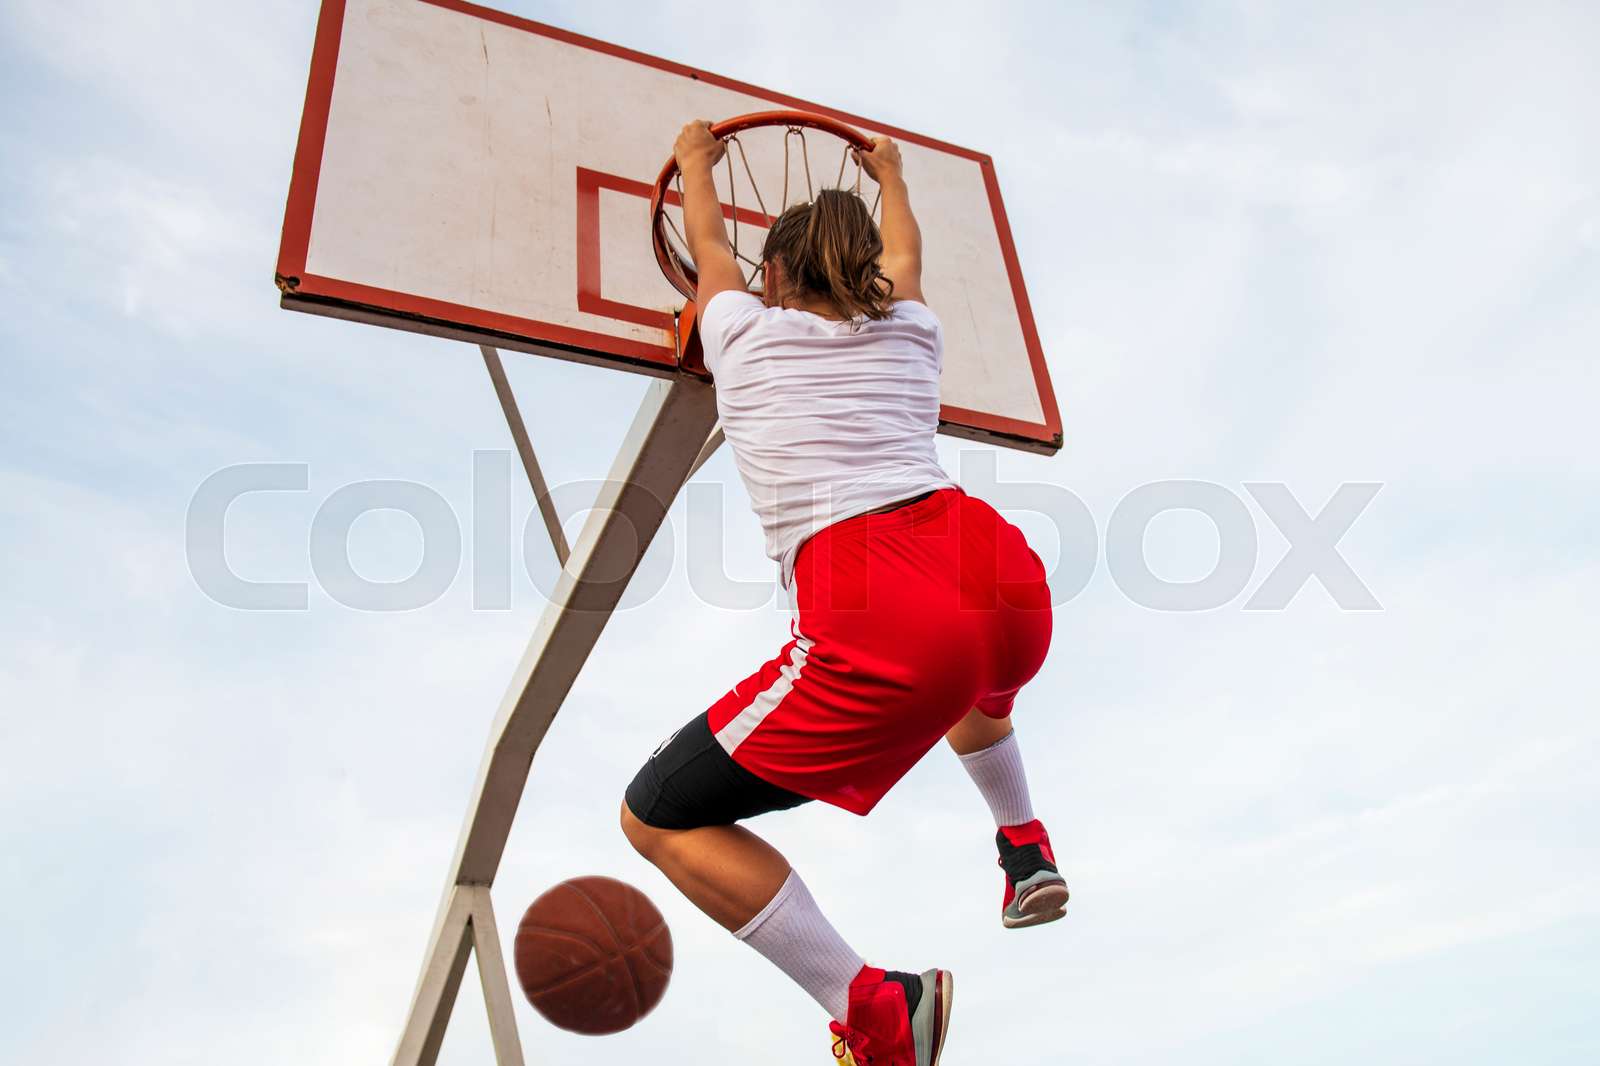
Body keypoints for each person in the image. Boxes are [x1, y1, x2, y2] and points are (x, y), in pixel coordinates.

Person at [621, 120, 1064, 1066]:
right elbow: (906, 253)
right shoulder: (912, 329)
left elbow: (707, 246)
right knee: (971, 685)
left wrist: (696, 165)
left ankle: (870, 1004)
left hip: (881, 603)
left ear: (768, 277)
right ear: (866, 270)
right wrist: (892, 174)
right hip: (1001, 577)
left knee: (654, 815)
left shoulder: (736, 325)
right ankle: (1023, 842)